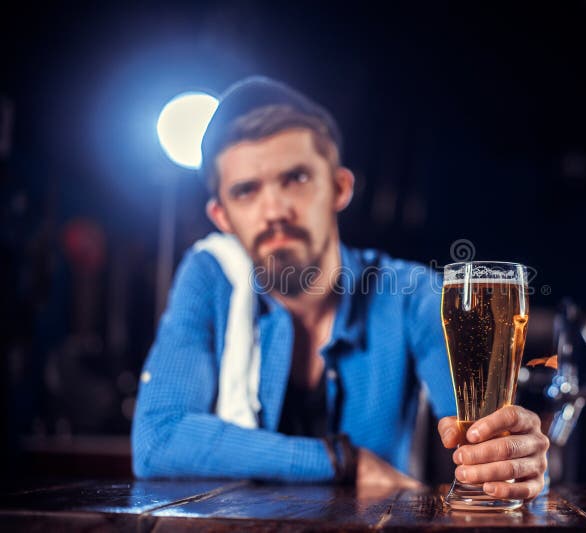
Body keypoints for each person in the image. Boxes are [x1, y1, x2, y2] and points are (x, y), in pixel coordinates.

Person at [132, 75, 549, 499]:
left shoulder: (409, 292)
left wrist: (513, 458)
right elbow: (157, 440)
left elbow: (487, 439)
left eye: (295, 178)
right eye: (246, 191)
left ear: (340, 187)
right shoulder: (210, 276)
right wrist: (340, 461)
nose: (274, 210)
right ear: (221, 216)